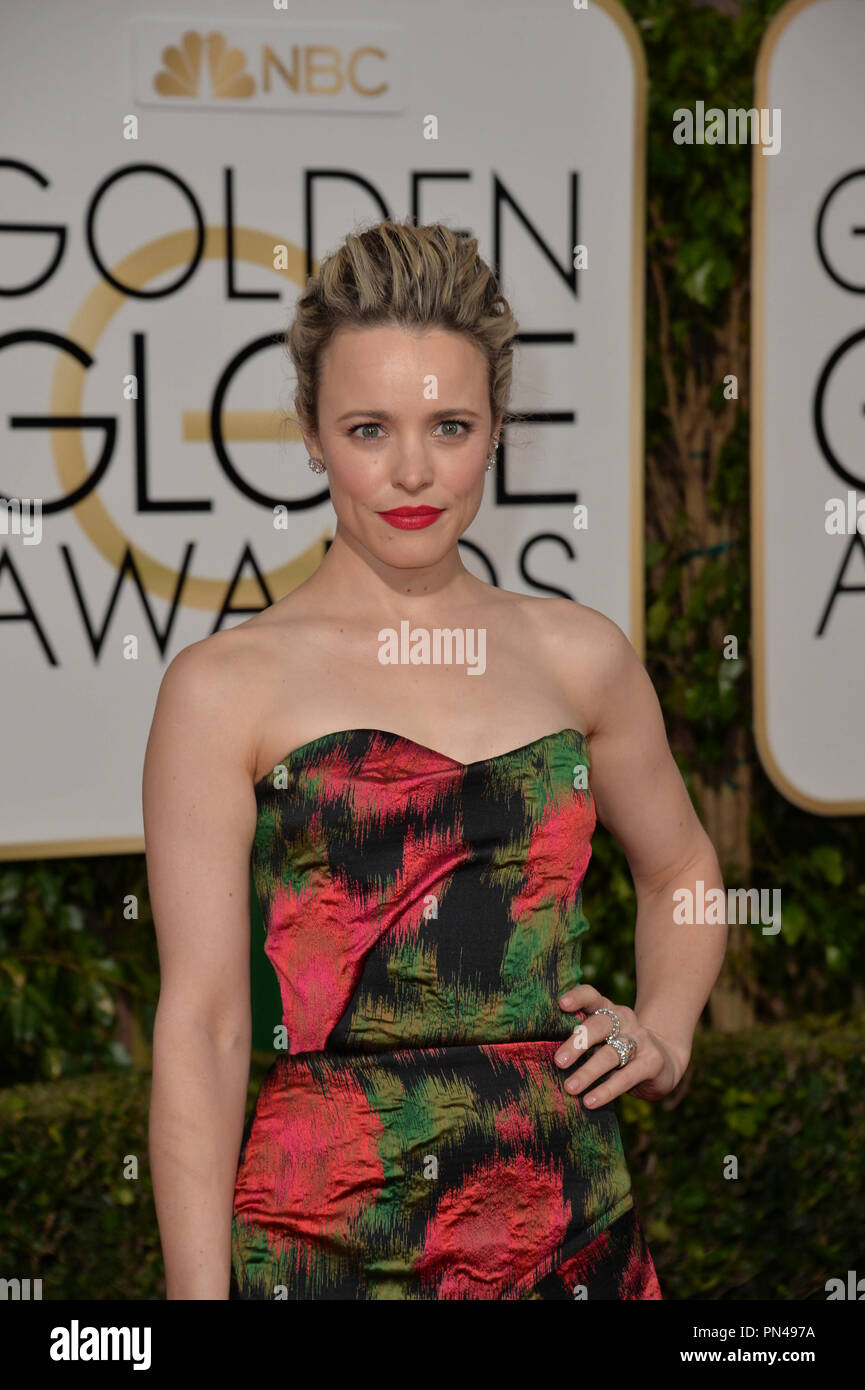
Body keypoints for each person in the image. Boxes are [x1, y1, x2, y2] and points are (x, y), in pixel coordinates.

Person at [144, 218, 727, 1300]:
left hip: (571, 1231)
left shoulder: (581, 655)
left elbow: (684, 872)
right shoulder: (224, 687)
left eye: (449, 424)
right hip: (326, 1247)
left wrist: (670, 1033)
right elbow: (207, 1025)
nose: (412, 470)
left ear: (498, 427)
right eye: (368, 428)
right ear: (311, 435)